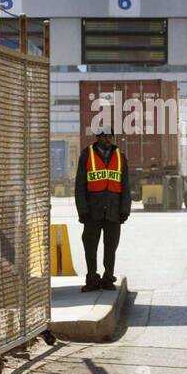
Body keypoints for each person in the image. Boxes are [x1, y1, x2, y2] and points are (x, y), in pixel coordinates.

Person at [75, 125, 131, 292]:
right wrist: (82, 210)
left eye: (110, 136)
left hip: (113, 211)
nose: (107, 139)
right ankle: (91, 279)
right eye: (104, 136)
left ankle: (108, 279)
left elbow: (125, 186)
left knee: (111, 246)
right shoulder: (86, 156)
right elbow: (80, 186)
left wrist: (124, 210)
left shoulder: (120, 157)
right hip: (93, 212)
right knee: (90, 247)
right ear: (97, 138)